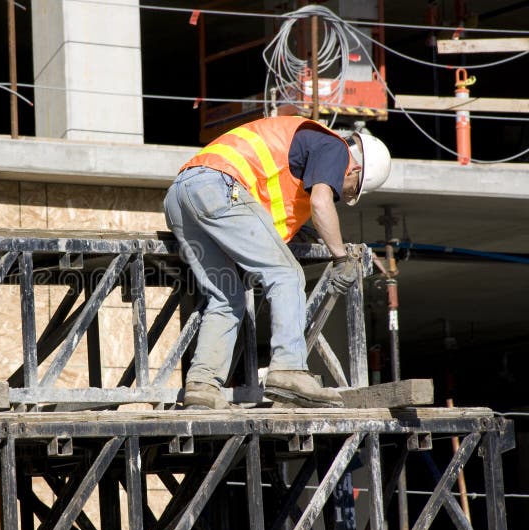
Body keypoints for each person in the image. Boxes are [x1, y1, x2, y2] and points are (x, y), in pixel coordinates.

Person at [164, 116, 391, 409]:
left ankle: (202, 386)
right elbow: (320, 202)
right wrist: (340, 257)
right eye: (348, 189)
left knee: (226, 297)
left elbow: (266, 211)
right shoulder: (335, 148)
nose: (340, 194)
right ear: (355, 170)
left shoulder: (306, 149)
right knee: (286, 275)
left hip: (181, 195)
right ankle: (289, 369)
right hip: (219, 187)